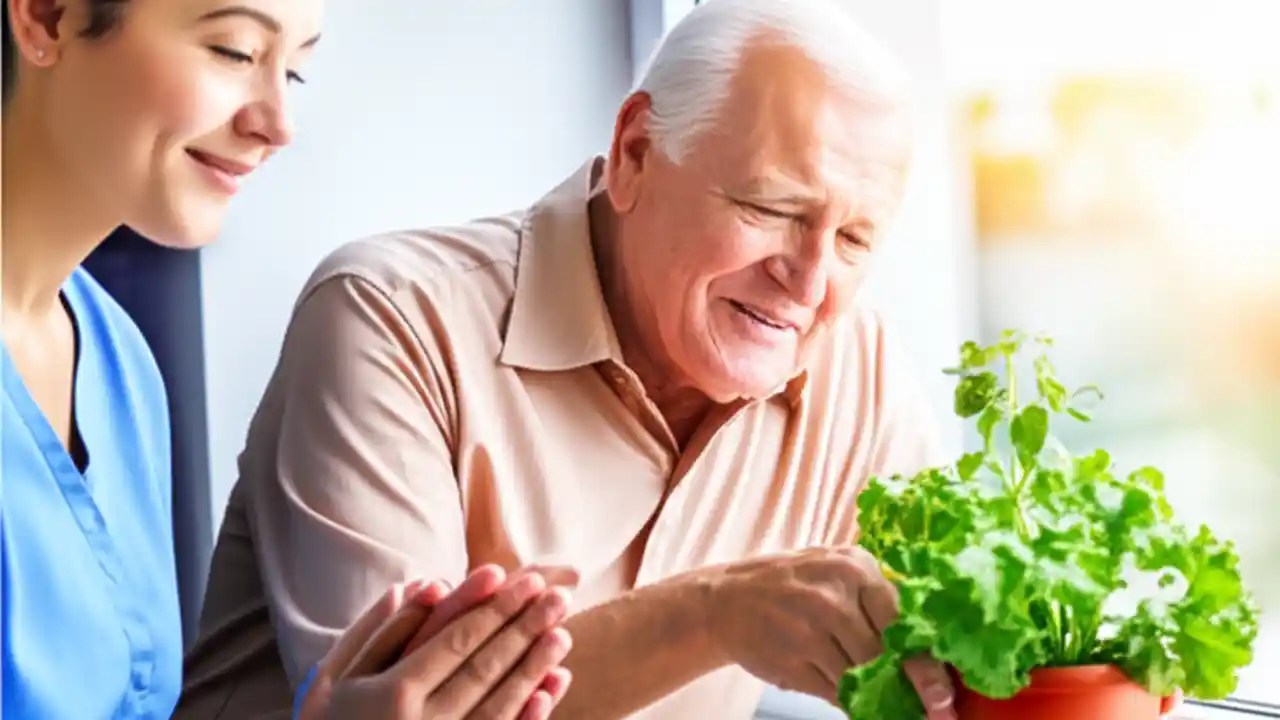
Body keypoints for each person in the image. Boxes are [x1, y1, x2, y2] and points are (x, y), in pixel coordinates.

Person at [186, 0, 963, 718]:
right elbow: (418, 708)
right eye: (772, 208)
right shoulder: (392, 317)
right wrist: (719, 613)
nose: (809, 280)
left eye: (855, 240)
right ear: (634, 155)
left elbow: (966, 648)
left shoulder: (859, 372)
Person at [0, 1, 571, 717]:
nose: (276, 124)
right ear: (50, 18)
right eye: (235, 52)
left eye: (294, 72)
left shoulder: (117, 361)